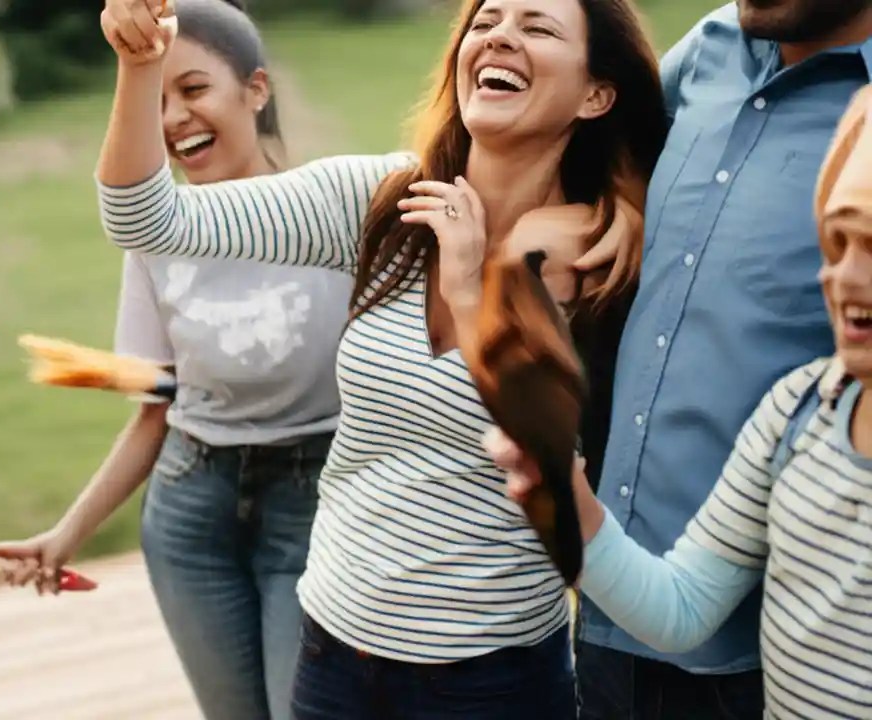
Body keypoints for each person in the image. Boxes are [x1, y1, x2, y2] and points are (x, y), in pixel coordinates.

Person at [93, 0, 667, 716]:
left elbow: (552, 457)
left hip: (491, 678)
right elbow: (145, 220)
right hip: (332, 654)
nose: (499, 37)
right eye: (486, 20)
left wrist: (474, 288)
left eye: (537, 26)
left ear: (596, 94)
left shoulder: (599, 255)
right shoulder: (381, 202)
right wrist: (140, 63)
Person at [0, 2, 345, 718]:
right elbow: (157, 413)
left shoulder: (334, 215)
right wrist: (65, 535)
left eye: (195, 89)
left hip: (315, 510)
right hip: (191, 516)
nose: (174, 118)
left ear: (256, 89)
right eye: (159, 99)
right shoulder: (158, 240)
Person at [494, 85, 872, 720]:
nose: (842, 276)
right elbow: (683, 609)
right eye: (838, 242)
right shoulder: (798, 411)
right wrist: (569, 505)